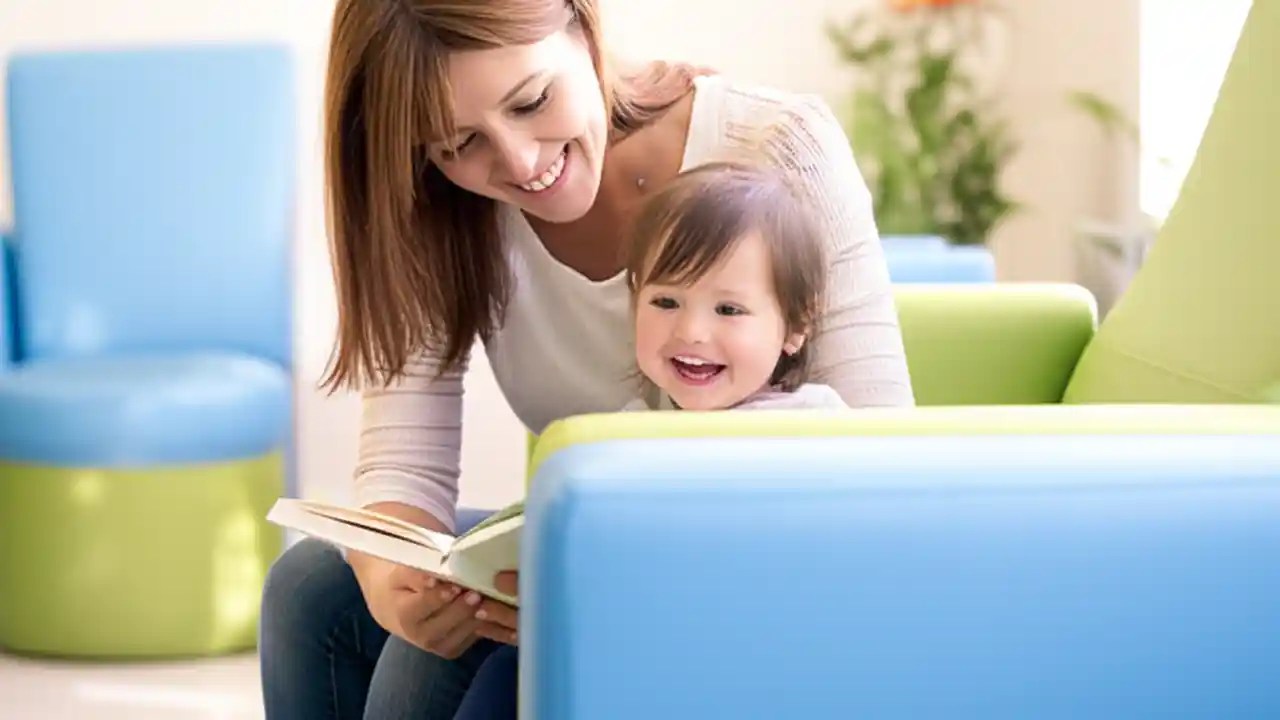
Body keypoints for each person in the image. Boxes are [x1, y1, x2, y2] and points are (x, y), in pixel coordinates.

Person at [258, 0, 915, 717]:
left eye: (532, 101)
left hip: (743, 577)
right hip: (611, 556)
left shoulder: (774, 149)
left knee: (436, 660)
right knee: (314, 589)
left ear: (582, 22)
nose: (521, 161)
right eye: (457, 144)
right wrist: (397, 583)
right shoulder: (444, 205)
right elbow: (403, 468)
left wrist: (613, 581)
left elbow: (881, 481)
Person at [452, 161, 851, 719]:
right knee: (500, 668)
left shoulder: (820, 429)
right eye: (665, 302)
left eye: (729, 309)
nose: (690, 332)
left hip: (758, 666)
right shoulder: (626, 436)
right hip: (631, 654)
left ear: (795, 327)